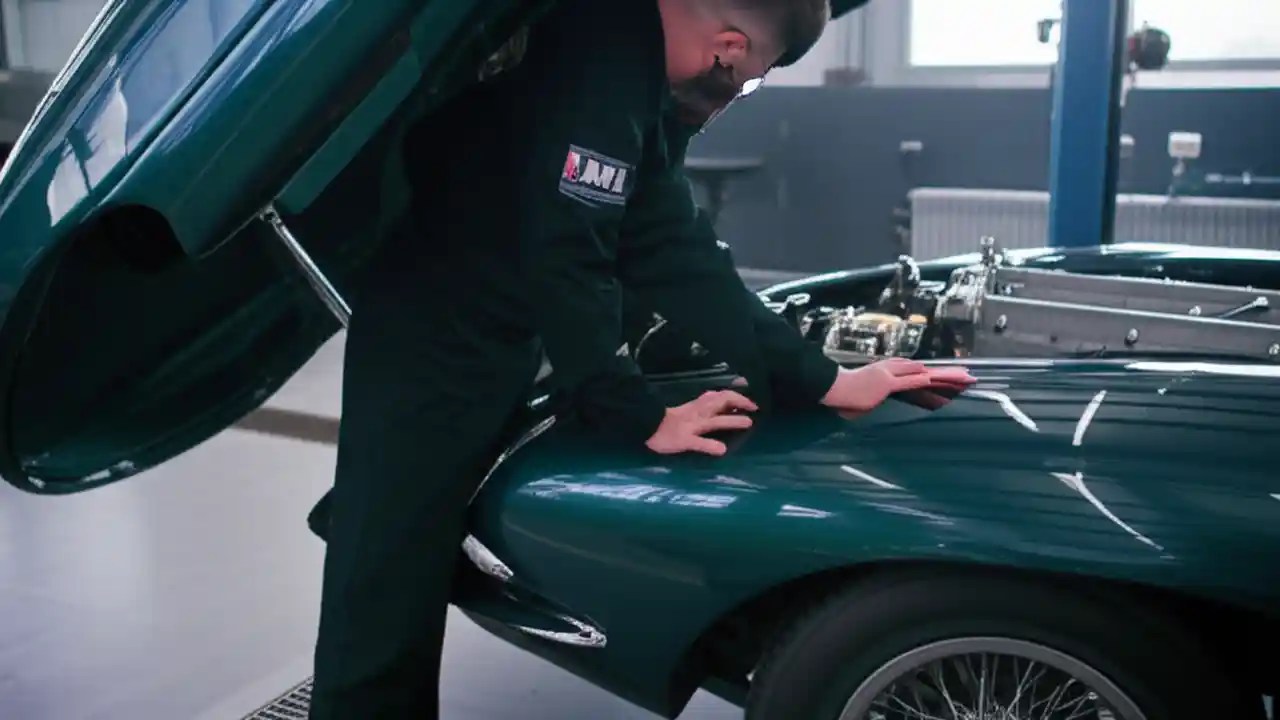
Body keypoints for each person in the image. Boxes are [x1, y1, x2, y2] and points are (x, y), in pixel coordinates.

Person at [305, 0, 976, 717]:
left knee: (414, 543)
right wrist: (636, 414)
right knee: (386, 577)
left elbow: (672, 245)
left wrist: (824, 377)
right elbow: (570, 261)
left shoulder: (633, 69)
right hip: (433, 327)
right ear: (728, 46)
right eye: (745, 78)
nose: (729, 95)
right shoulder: (599, 55)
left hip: (493, 319)